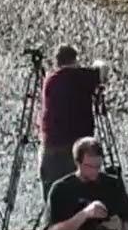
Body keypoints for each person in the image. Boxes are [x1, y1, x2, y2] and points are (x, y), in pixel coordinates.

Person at [38, 44, 103, 199]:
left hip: (50, 145)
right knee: (77, 190)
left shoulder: (49, 80)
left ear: (57, 63)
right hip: (75, 147)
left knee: (51, 193)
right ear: (74, 61)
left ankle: (51, 218)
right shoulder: (82, 77)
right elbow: (103, 70)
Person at [42, 137, 128, 230]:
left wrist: (119, 225)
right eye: (89, 166)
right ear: (77, 163)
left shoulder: (113, 185)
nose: (94, 171)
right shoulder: (61, 190)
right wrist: (85, 214)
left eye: (98, 166)